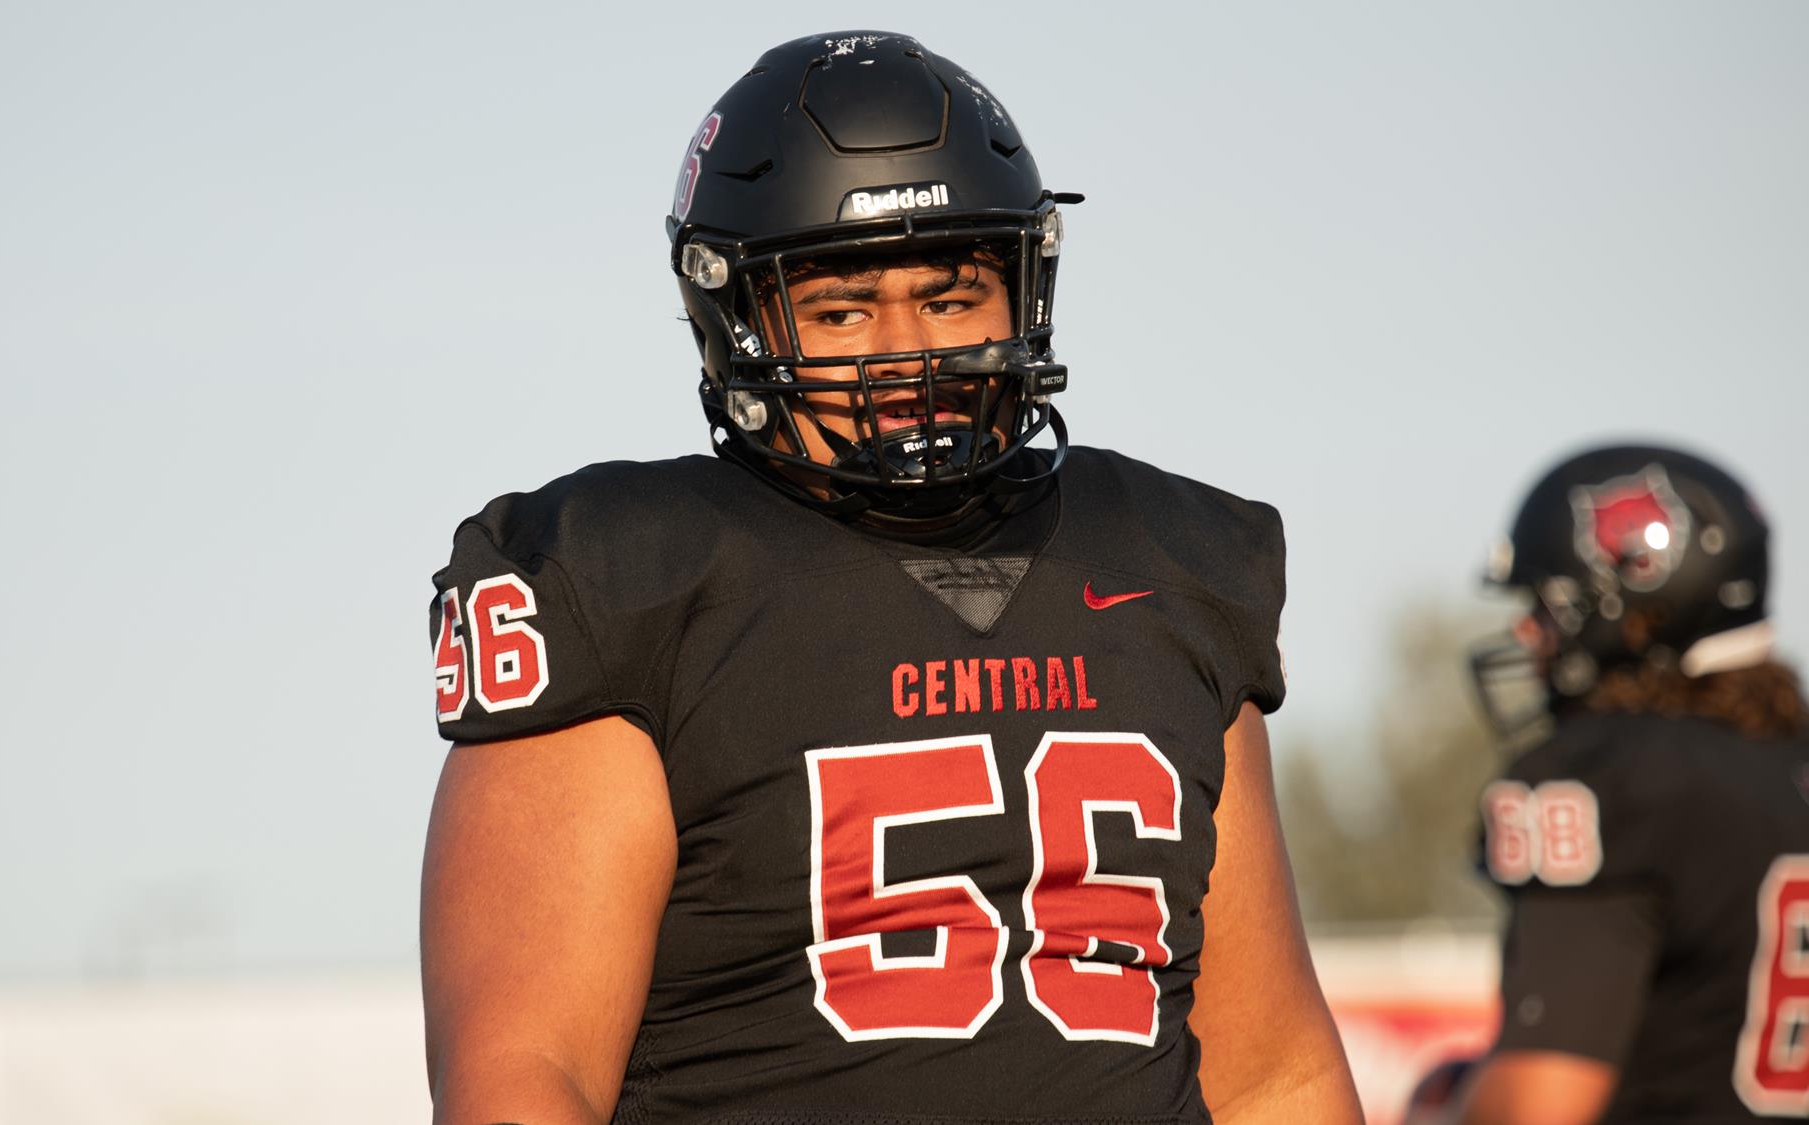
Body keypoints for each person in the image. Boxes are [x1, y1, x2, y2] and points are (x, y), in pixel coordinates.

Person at [420, 31, 1360, 1125]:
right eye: (841, 311)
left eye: (951, 299)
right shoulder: (628, 576)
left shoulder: (1164, 556)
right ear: (733, 323)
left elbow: (1270, 1072)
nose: (909, 356)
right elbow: (528, 1075)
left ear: (1024, 288)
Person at [1449, 444, 1809, 1123]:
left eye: (1545, 605)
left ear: (1638, 602)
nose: (1526, 633)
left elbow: (1538, 1106)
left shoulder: (1609, 781)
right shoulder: (1779, 770)